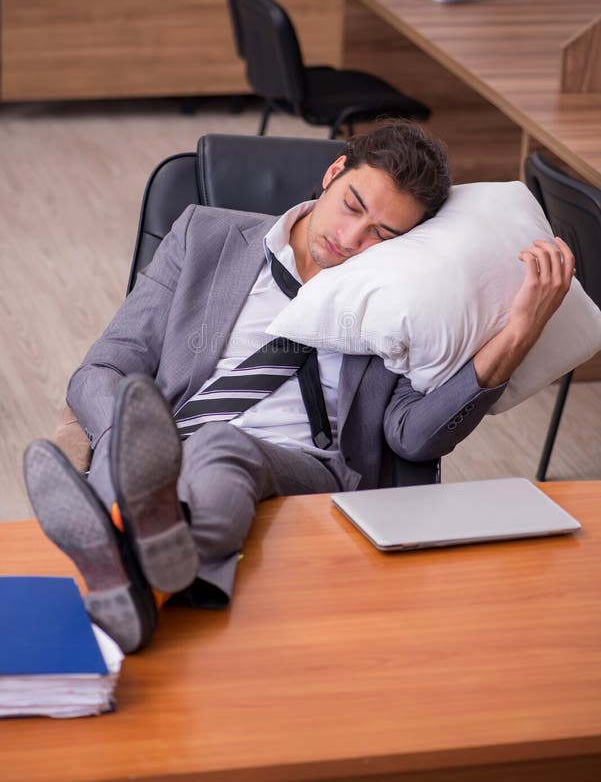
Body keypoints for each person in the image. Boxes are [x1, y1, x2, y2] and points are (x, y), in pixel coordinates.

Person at [23, 120, 575, 654]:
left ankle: (127, 539)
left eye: (383, 235)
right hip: (165, 438)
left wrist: (518, 333)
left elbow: (413, 439)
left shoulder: (402, 300)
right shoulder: (205, 235)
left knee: (221, 444)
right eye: (353, 207)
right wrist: (130, 445)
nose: (352, 239)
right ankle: (150, 567)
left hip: (303, 468)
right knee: (188, 450)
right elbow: (105, 367)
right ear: (334, 172)